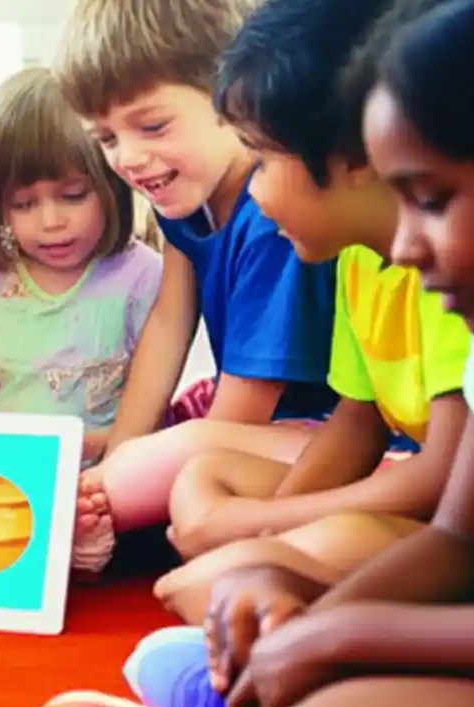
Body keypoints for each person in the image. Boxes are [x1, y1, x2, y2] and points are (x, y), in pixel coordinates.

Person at [161, 1, 474, 707]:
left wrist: (346, 635)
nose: (403, 246)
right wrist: (304, 621)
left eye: (432, 201)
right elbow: (463, 542)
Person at [51, 0, 339, 573]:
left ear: (232, 94)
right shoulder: (184, 201)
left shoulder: (275, 215)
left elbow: (238, 417)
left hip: (321, 441)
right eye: (106, 138)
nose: (130, 158)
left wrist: (115, 483)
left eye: (152, 126)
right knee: (132, 448)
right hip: (256, 430)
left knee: (175, 454)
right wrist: (121, 451)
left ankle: (73, 530)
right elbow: (168, 323)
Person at [0, 66, 161, 470]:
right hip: (5, 473)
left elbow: (148, 420)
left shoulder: (143, 276)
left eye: (73, 195)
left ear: (111, 182)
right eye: (23, 204)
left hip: (111, 474)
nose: (51, 221)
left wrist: (75, 447)